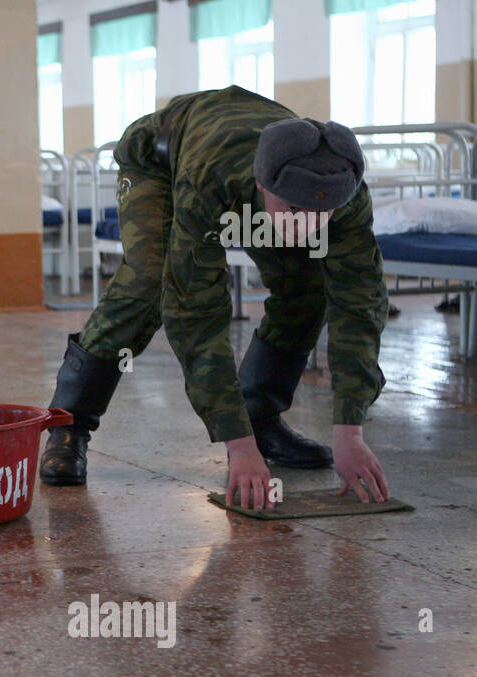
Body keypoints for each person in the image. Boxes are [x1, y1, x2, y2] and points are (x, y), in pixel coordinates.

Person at [40, 85, 390, 509]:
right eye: (293, 212)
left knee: (306, 288)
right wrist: (237, 445)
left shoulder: (344, 192)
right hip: (163, 160)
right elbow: (195, 310)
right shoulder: (212, 179)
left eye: (322, 215)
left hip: (244, 168)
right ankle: (68, 425)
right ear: (262, 187)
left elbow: (361, 304)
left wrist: (349, 431)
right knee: (149, 284)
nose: (306, 228)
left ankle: (261, 418)